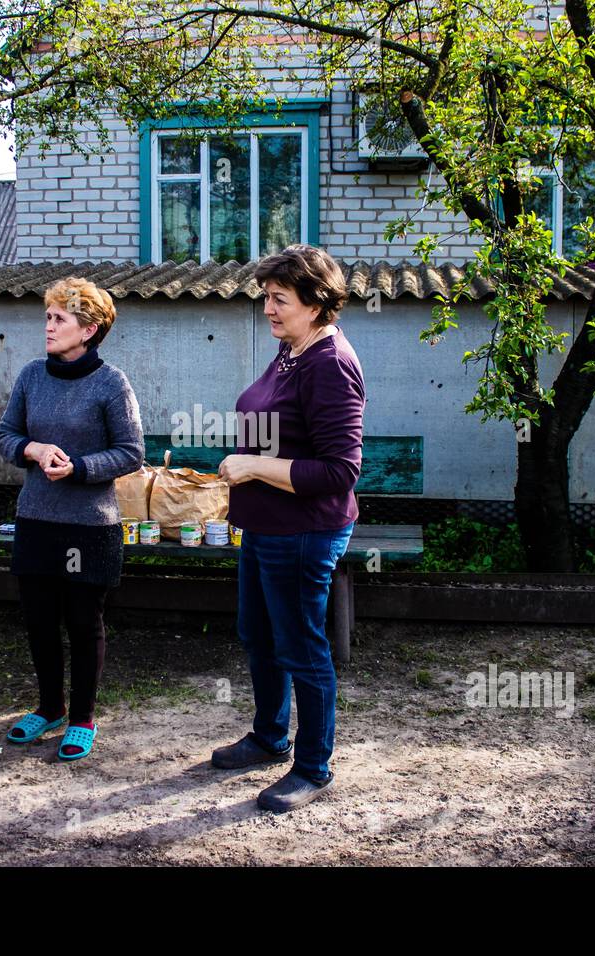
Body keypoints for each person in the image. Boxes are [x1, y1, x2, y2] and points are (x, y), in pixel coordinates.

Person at [214, 243, 366, 812]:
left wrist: (253, 465)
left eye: (279, 299)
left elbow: (340, 470)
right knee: (258, 634)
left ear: (316, 301)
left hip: (304, 532)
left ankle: (312, 766)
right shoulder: (292, 352)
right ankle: (269, 737)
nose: (269, 309)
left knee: (301, 647)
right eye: (266, 298)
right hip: (265, 525)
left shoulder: (331, 364)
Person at [0, 277, 144, 762]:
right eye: (48, 316)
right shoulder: (31, 376)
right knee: (39, 620)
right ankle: (49, 708)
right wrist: (31, 449)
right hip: (37, 519)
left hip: (90, 525)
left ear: (90, 328)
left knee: (83, 622)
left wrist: (79, 467)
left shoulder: (112, 383)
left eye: (59, 318)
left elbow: (131, 453)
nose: (49, 326)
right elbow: (4, 434)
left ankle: (82, 718)